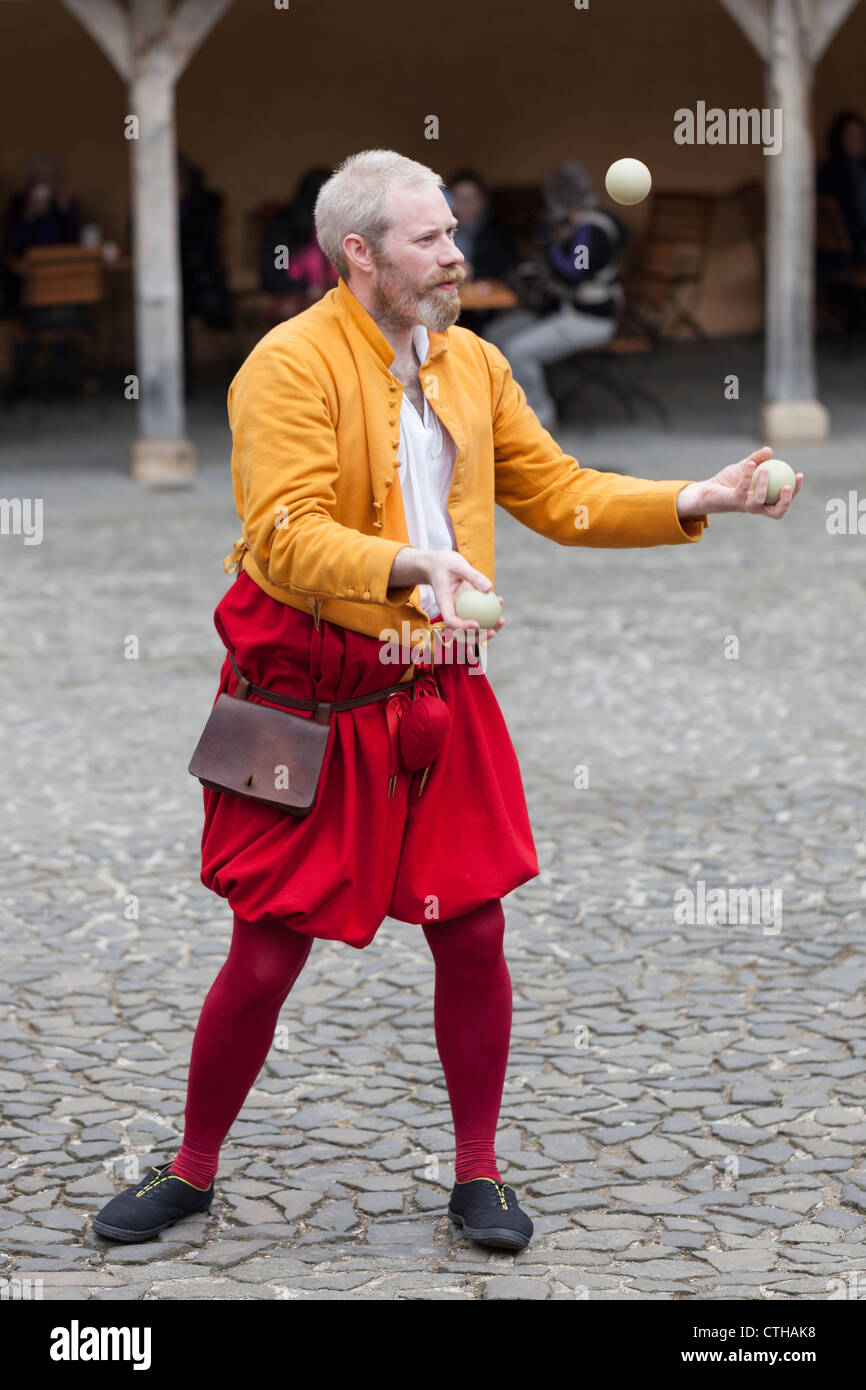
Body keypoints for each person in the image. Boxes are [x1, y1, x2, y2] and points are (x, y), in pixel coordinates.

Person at [91, 148, 802, 1253]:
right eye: (432, 238)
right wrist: (408, 567)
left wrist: (689, 497)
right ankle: (189, 1169)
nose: (456, 255)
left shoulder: (470, 365)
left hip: (437, 691)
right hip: (300, 702)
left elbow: (557, 491)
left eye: (452, 235)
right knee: (267, 951)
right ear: (360, 253)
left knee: (472, 930)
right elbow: (281, 533)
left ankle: (477, 1173)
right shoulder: (285, 367)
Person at [482, 159, 627, 431]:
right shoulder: (576, 225)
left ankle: (540, 417)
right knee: (495, 334)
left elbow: (574, 271)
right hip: (565, 311)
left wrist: (550, 244)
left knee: (518, 351)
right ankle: (504, 406)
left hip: (590, 318)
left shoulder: (592, 228)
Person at [260, 166, 339, 326]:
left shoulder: (343, 228)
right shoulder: (285, 233)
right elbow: (275, 277)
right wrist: (308, 287)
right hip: (300, 301)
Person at [817, 110, 866, 262]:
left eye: (859, 135)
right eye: (850, 135)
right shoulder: (833, 171)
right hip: (849, 249)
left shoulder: (860, 166)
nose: (856, 140)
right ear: (840, 138)